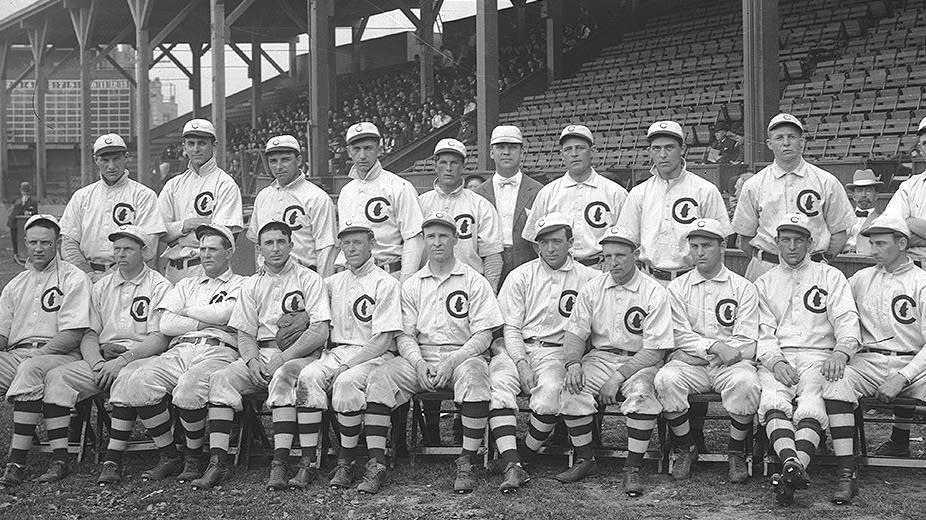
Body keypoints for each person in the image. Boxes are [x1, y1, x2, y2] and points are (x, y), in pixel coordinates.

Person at [361, 212, 503, 494]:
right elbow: (404, 335)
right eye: (431, 237)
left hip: (462, 356)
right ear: (424, 241)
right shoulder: (412, 284)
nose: (437, 242)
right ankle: (376, 463)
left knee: (476, 376)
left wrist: (453, 360)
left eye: (443, 236)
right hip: (420, 357)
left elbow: (484, 335)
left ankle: (467, 460)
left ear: (455, 239)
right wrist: (416, 363)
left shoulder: (474, 280)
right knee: (380, 379)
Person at [99, 224, 244, 484]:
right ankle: (168, 455)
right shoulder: (187, 284)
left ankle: (193, 457)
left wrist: (185, 311)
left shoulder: (242, 283)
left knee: (190, 387)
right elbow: (166, 324)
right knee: (140, 380)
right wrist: (200, 318)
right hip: (181, 347)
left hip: (218, 348)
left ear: (229, 252)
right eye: (202, 249)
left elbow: (226, 314)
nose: (206, 254)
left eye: (213, 249)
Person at [192, 221, 330, 490]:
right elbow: (244, 332)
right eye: (269, 243)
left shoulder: (309, 278)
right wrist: (251, 360)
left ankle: (280, 463)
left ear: (291, 244)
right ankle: (217, 462)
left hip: (300, 355)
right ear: (260, 248)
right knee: (222, 378)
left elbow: (320, 330)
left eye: (281, 242)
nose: (276, 248)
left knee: (282, 376)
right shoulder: (252, 284)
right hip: (260, 354)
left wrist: (285, 356)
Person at [41, 225, 172, 486]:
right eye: (117, 249)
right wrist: (98, 363)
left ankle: (115, 459)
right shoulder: (101, 286)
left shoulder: (160, 285)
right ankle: (59, 458)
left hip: (143, 356)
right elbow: (90, 333)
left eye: (128, 249)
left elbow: (160, 338)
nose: (121, 254)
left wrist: (123, 361)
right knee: (58, 377)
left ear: (144, 252)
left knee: (128, 379)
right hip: (104, 357)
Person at [557, 225, 671, 496]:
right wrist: (573, 363)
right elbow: (574, 334)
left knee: (642, 396)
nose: (613, 262)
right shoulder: (592, 288)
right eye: (607, 256)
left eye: (620, 255)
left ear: (636, 254)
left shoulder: (654, 291)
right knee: (572, 389)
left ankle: (632, 468)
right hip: (600, 356)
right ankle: (586, 459)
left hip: (641, 361)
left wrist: (617, 378)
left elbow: (655, 350)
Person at [487, 212, 598, 492]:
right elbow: (510, 328)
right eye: (544, 242)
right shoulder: (521, 275)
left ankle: (521, 455)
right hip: (518, 349)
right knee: (499, 385)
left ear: (570, 242)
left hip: (556, 353)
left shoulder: (589, 278)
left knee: (549, 395)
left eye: (557, 241)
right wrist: (521, 363)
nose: (550, 248)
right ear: (537, 245)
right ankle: (513, 466)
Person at [754, 213, 860, 505]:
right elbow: (763, 332)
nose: (791, 247)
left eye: (798, 240)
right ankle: (795, 466)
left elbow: (847, 320)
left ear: (810, 243)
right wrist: (775, 362)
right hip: (780, 357)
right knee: (773, 400)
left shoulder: (830, 276)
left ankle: (790, 467)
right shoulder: (764, 282)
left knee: (812, 402)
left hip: (820, 356)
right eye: (785, 240)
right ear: (776, 243)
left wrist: (841, 351)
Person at [822, 215, 926, 504]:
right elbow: (836, 308)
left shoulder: (921, 281)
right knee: (835, 380)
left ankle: (900, 443)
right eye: (871, 243)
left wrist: (903, 376)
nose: (872, 250)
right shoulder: (861, 279)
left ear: (902, 243)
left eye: (880, 244)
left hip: (915, 365)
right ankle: (846, 471)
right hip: (869, 362)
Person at [294, 220, 402, 490]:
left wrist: (347, 366)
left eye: (358, 242)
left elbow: (384, 339)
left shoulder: (386, 282)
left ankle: (346, 460)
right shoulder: (330, 283)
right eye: (346, 243)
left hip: (373, 355)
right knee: (307, 376)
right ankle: (307, 461)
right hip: (336, 350)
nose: (351, 248)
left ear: (371, 244)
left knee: (345, 382)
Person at [654, 218, 760, 483]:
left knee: (746, 383)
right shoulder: (678, 287)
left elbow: (747, 339)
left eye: (707, 245)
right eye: (694, 246)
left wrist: (704, 352)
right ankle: (686, 446)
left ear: (722, 246)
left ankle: (736, 451)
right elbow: (678, 333)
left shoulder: (743, 286)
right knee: (666, 379)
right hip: (693, 364)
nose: (699, 252)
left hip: (730, 364)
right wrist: (713, 347)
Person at [0, 215, 92, 486]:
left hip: (59, 354)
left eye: (45, 243)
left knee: (30, 368)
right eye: (33, 243)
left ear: (58, 243)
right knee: (25, 366)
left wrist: (38, 356)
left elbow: (74, 332)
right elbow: (3, 333)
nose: (38, 249)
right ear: (25, 244)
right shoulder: (16, 283)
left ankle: (16, 462)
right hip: (19, 353)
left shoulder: (74, 278)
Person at [732, 114, 855, 281]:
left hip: (813, 269)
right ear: (769, 144)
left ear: (802, 142)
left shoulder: (826, 181)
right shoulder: (754, 184)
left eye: (792, 137)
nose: (786, 143)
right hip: (767, 267)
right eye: (779, 138)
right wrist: (766, 259)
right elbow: (745, 237)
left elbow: (840, 232)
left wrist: (823, 259)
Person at [618, 121, 731, 284]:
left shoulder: (705, 190)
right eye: (656, 148)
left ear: (682, 149)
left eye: (669, 147)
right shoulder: (639, 193)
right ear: (650, 151)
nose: (662, 155)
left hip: (693, 279)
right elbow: (627, 241)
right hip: (649, 279)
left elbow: (720, 243)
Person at [59, 134, 165, 282]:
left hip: (129, 277)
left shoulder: (144, 195)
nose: (111, 166)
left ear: (126, 157)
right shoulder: (82, 196)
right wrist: (87, 273)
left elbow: (148, 246)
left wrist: (110, 277)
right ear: (96, 160)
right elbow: (68, 241)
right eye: (105, 160)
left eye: (116, 159)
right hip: (86, 277)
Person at [522, 125, 628, 268]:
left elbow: (627, 238)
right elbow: (534, 238)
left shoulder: (615, 193)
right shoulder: (548, 193)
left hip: (601, 269)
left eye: (580, 148)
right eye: (568, 149)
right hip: (560, 269)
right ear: (562, 154)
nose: (574, 154)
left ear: (592, 151)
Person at [158, 119, 244, 283]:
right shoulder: (174, 184)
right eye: (191, 143)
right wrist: (187, 225)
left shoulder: (225, 184)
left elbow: (221, 239)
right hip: (173, 272)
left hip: (207, 271)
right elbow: (160, 231)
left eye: (202, 143)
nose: (196, 149)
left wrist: (177, 238)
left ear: (214, 146)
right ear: (184, 148)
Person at [337, 122, 423, 282]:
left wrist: (406, 281)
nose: (362, 155)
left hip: (390, 273)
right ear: (349, 152)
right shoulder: (346, 192)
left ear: (379, 148)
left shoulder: (399, 186)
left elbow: (414, 238)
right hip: (353, 276)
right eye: (356, 149)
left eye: (368, 148)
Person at [419, 138, 504, 291]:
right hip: (427, 285)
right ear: (435, 166)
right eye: (443, 162)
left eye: (454, 163)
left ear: (463, 166)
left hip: (469, 284)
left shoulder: (480, 204)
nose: (449, 168)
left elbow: (492, 254)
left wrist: (490, 289)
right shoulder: (420, 203)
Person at [248, 135, 337, 276]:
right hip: (268, 278)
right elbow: (257, 245)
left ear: (299, 160)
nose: (278, 167)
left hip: (304, 277)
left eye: (285, 160)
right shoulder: (263, 196)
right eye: (273, 161)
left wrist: (323, 287)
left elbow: (325, 248)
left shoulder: (317, 197)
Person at [472, 125, 543, 282]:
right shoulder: (477, 194)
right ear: (491, 152)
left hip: (528, 264)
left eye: (512, 147)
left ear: (522, 152)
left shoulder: (539, 191)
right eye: (500, 147)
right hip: (488, 265)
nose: (506, 152)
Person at [881, 116, 926, 265]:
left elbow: (900, 237)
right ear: (920, 149)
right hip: (913, 269)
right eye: (925, 143)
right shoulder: (909, 186)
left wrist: (908, 221)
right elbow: (890, 228)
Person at [843, 169, 882, 255]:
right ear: (853, 196)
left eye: (868, 190)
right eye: (859, 191)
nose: (863, 195)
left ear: (876, 196)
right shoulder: (842, 218)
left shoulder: (882, 221)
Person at [7, 181, 37, 264]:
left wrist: (28, 213)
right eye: (23, 191)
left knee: (25, 239)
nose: (24, 193)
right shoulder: (18, 201)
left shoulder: (33, 202)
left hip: (24, 224)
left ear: (29, 191)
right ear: (21, 191)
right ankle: (16, 255)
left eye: (26, 191)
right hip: (14, 223)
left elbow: (34, 213)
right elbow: (14, 212)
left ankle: (25, 255)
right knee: (14, 239)